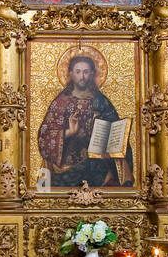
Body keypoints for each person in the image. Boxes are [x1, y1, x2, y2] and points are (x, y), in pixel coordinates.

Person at [37, 53, 133, 186]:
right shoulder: (61, 102)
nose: (82, 76)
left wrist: (110, 144)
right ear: (70, 74)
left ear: (92, 74)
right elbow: (44, 136)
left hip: (98, 165)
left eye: (86, 72)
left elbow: (116, 132)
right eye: (78, 72)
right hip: (67, 167)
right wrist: (69, 132)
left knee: (109, 179)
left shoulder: (101, 101)